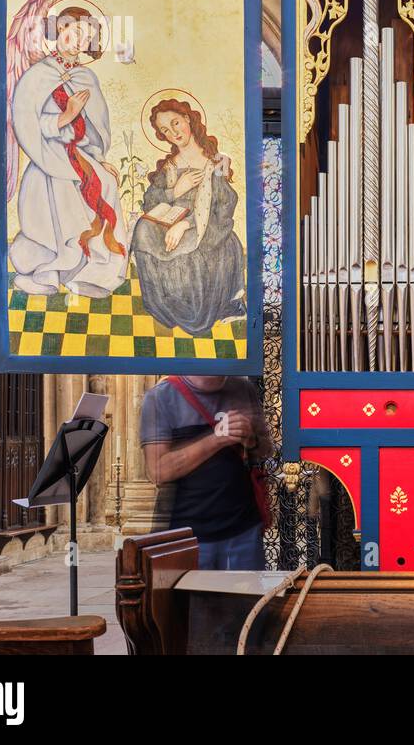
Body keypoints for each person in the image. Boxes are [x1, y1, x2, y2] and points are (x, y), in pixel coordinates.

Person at [8, 1, 128, 297]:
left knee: (108, 182)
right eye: (74, 33)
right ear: (60, 29)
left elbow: (95, 127)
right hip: (47, 154)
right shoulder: (37, 75)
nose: (78, 43)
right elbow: (27, 123)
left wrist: (100, 158)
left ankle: (95, 269)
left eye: (86, 39)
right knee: (61, 187)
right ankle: (49, 269)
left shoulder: (86, 78)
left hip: (78, 153)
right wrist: (66, 115)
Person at [130, 98, 246, 336]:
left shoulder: (216, 162)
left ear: (188, 119)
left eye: (175, 123)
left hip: (207, 227)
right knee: (142, 229)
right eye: (165, 130)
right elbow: (151, 202)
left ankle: (194, 311)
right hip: (170, 222)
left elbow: (225, 207)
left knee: (187, 247)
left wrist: (185, 224)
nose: (173, 132)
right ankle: (166, 306)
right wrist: (176, 190)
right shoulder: (170, 166)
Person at [140, 374, 272, 570]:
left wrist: (250, 438)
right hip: (188, 534)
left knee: (249, 600)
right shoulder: (161, 397)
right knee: (193, 600)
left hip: (244, 531)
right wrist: (217, 439)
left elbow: (265, 450)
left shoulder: (243, 388)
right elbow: (159, 472)